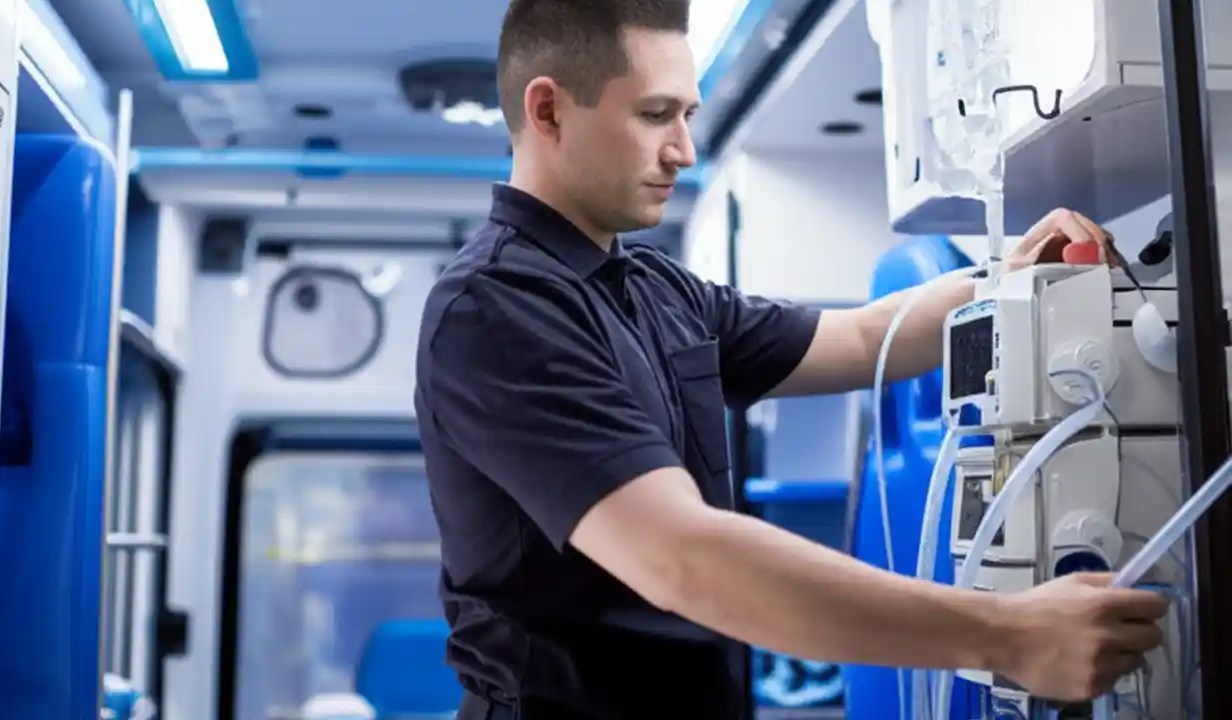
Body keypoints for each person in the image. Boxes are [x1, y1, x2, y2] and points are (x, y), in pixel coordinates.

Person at [413, 1, 1170, 717]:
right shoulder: (496, 310)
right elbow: (683, 556)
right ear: (547, 110)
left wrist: (1004, 275)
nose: (682, 149)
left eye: (686, 116)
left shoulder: (651, 288)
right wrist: (1010, 634)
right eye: (654, 116)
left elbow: (866, 338)